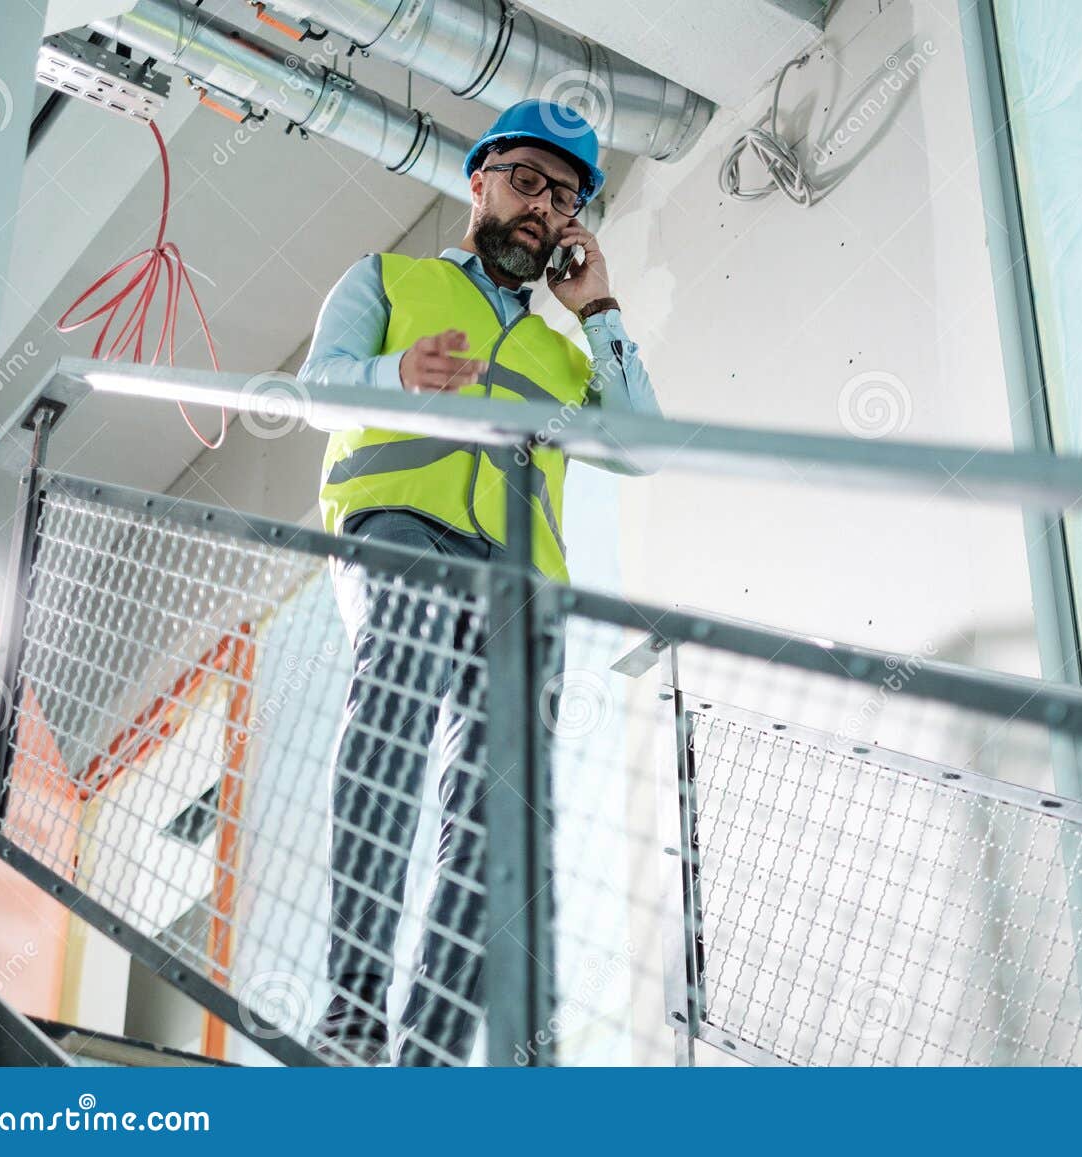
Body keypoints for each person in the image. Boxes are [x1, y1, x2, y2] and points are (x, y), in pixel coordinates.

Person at [296, 99, 662, 1065]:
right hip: (399, 530)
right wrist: (396, 375)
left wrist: (601, 311)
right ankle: (352, 1013)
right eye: (527, 181)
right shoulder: (390, 277)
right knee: (395, 705)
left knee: (497, 811)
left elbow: (643, 447)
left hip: (520, 587)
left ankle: (429, 1059)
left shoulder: (564, 356)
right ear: (480, 182)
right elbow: (314, 388)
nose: (543, 207)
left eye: (565, 198)